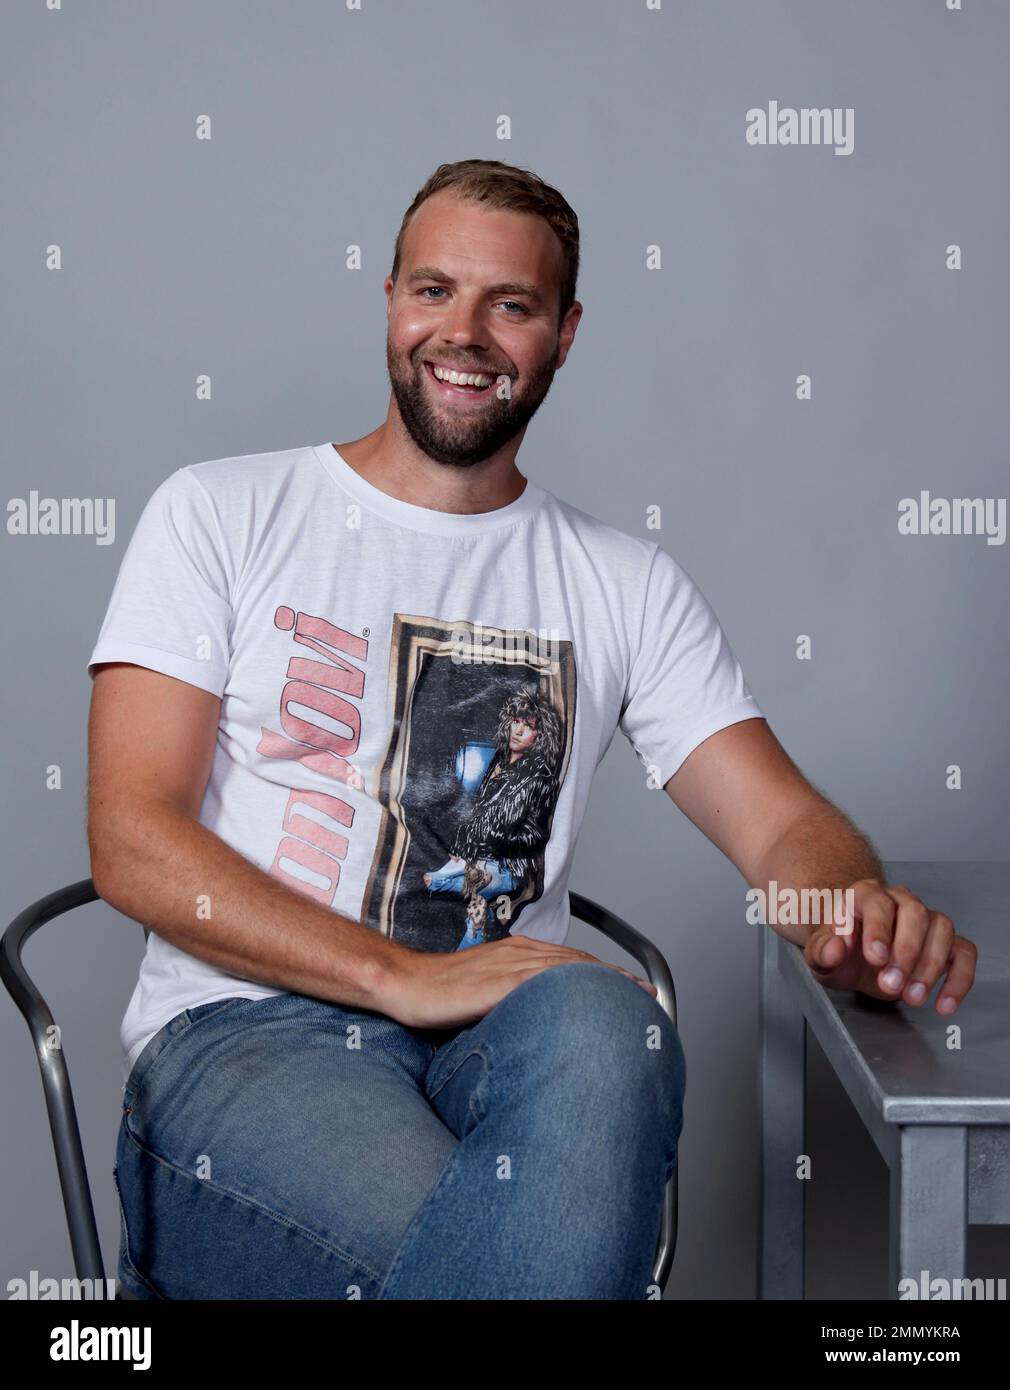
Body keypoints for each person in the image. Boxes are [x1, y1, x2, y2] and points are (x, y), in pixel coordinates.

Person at [87, 158, 977, 1301]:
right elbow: (131, 835)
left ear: (562, 333)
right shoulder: (221, 512)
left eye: (508, 305)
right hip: (254, 1031)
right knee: (530, 1270)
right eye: (431, 291)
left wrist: (844, 911)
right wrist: (398, 976)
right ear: (390, 301)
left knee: (611, 1010)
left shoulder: (622, 582)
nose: (461, 333)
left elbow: (783, 825)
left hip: (506, 1035)